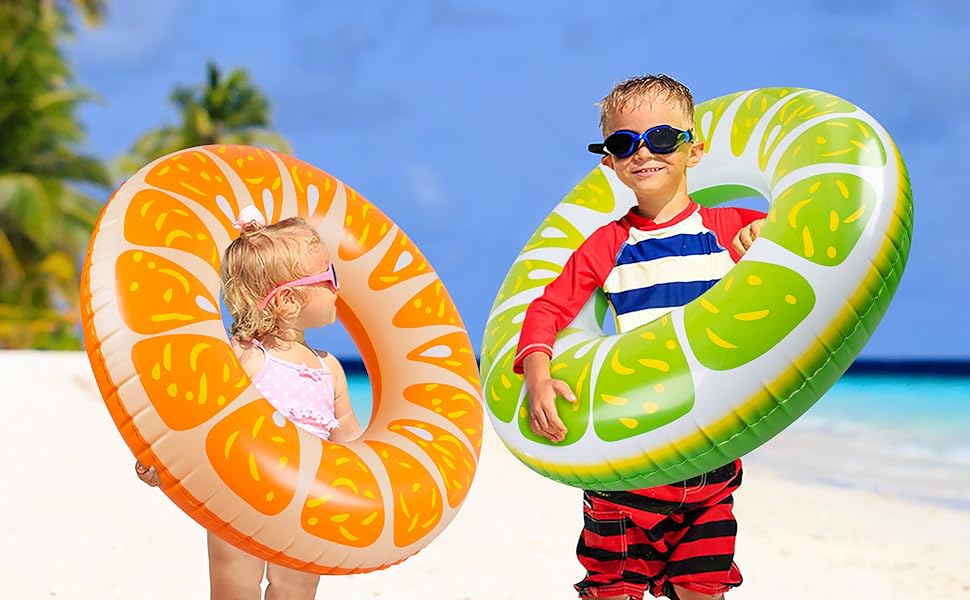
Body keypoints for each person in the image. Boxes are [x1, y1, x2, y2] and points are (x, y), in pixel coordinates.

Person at [514, 74, 766, 600]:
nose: (643, 152)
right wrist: (538, 374)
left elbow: (793, 282)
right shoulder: (609, 245)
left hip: (712, 459)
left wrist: (766, 240)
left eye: (663, 138)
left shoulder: (734, 229)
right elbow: (547, 309)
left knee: (705, 584)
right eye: (624, 143)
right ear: (608, 161)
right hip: (628, 460)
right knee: (614, 587)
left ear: (693, 150)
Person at [135, 207, 363, 600]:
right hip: (240, 494)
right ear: (290, 301)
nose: (338, 288)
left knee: (296, 588)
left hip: (307, 503)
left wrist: (369, 488)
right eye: (330, 278)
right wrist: (163, 460)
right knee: (235, 585)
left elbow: (349, 440)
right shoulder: (245, 357)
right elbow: (198, 414)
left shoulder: (330, 369)